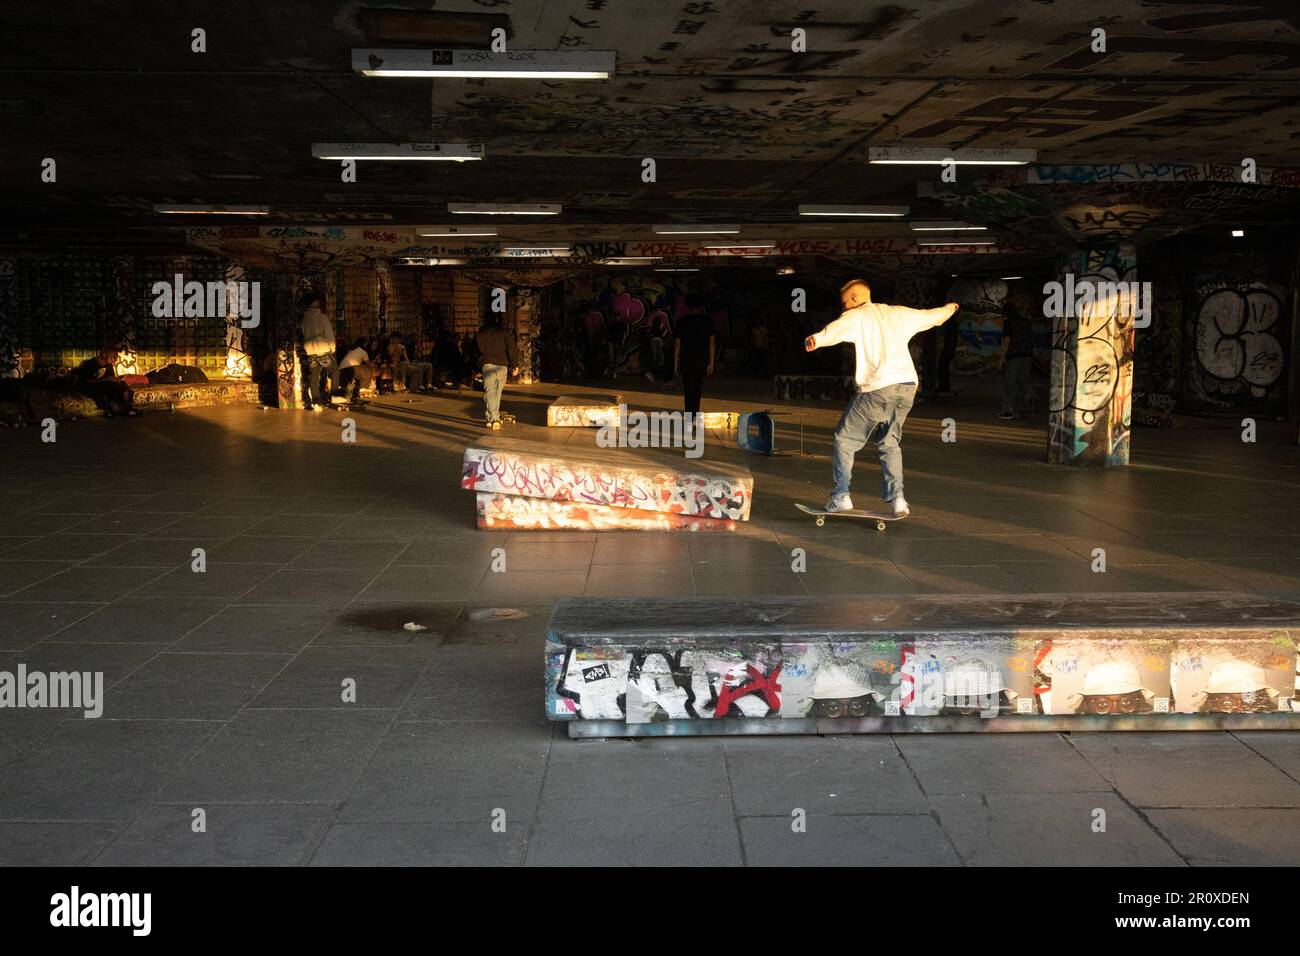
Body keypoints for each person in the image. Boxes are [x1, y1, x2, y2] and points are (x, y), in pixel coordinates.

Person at [804, 279, 959, 516]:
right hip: (907, 387)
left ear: (855, 298)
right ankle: (898, 500)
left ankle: (841, 496)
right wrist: (950, 309)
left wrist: (817, 339)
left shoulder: (857, 316)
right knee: (889, 443)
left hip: (878, 387)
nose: (844, 308)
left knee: (845, 439)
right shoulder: (897, 313)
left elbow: (834, 330)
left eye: (845, 303)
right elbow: (931, 316)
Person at [672, 293, 715, 416]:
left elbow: (677, 344)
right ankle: (695, 412)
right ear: (701, 306)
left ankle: (689, 414)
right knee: (697, 388)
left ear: (688, 306)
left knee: (688, 389)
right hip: (702, 360)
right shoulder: (707, 320)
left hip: (686, 360)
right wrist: (711, 362)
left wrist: (675, 363)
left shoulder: (681, 321)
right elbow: (712, 343)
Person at [475, 313, 518, 429]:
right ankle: (495, 418)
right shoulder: (504, 332)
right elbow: (511, 348)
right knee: (497, 393)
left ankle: (491, 417)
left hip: (487, 364)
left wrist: (476, 367)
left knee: (490, 391)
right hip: (502, 366)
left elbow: (476, 349)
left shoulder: (481, 332)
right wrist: (515, 365)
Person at [997, 293, 1036, 420]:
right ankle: (1031, 398)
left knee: (1010, 383)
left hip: (1015, 355)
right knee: (1024, 379)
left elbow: (1007, 341)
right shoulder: (1026, 321)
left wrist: (1002, 359)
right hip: (1028, 355)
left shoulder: (1008, 323)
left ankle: (1007, 411)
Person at [299, 294, 336, 412]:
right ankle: (335, 397)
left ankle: (316, 402)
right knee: (335, 372)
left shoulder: (304, 319)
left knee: (314, 377)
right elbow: (329, 334)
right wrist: (332, 348)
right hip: (323, 350)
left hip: (311, 352)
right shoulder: (322, 317)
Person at [75, 347, 135, 416]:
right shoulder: (91, 363)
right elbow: (88, 381)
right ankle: (113, 409)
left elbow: (111, 378)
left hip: (105, 384)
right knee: (106, 389)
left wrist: (119, 381)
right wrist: (106, 379)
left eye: (115, 358)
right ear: (104, 355)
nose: (114, 360)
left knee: (122, 384)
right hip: (90, 385)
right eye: (113, 357)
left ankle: (126, 407)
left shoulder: (109, 364)